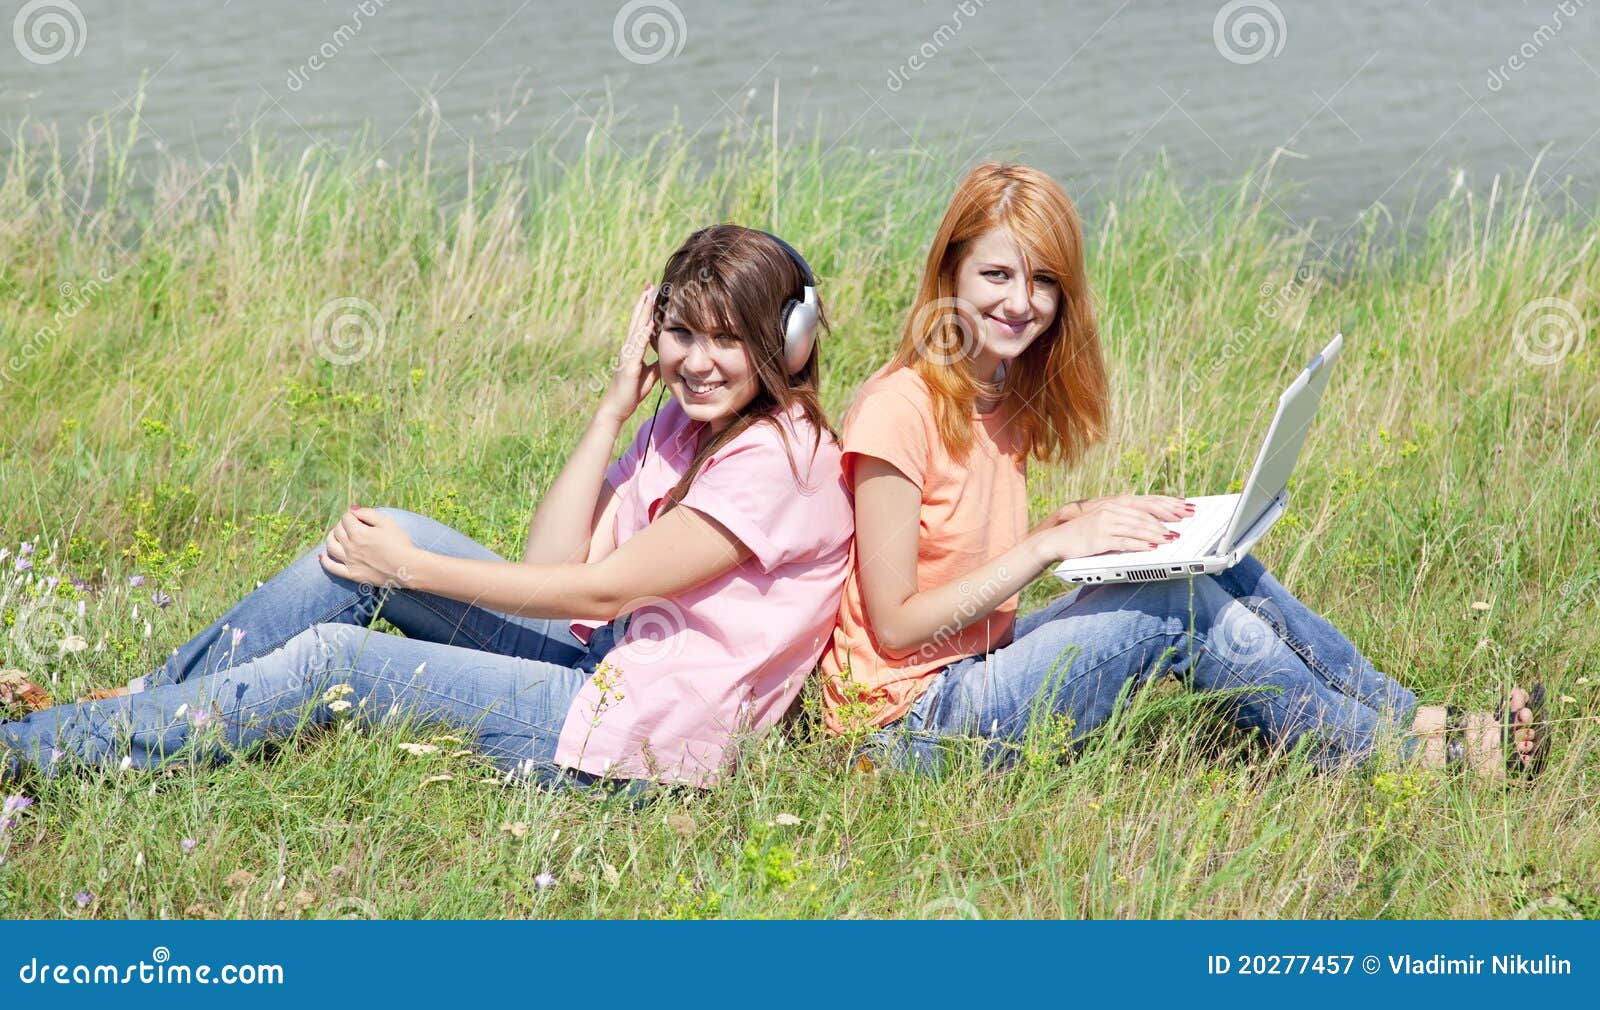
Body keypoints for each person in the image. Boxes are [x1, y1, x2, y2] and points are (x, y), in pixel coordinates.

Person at [1, 225, 853, 792]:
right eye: (682, 333)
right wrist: (612, 410)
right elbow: (553, 568)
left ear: (788, 341)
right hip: (611, 666)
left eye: (730, 338)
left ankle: (33, 754)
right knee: (381, 535)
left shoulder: (781, 458)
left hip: (643, 736)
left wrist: (405, 574)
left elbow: (600, 594)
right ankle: (135, 702)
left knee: (335, 661)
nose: (700, 362)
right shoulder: (681, 420)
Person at [820, 162, 1549, 782]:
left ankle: (1412, 717)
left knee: (1203, 562)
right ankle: (1404, 756)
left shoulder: (999, 387)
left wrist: (1066, 526)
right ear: (949, 271)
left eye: (1043, 280)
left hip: (972, 665)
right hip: (901, 732)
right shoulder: (898, 408)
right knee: (1173, 609)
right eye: (996, 274)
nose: (1021, 301)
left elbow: (953, 548)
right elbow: (897, 622)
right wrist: (1043, 551)